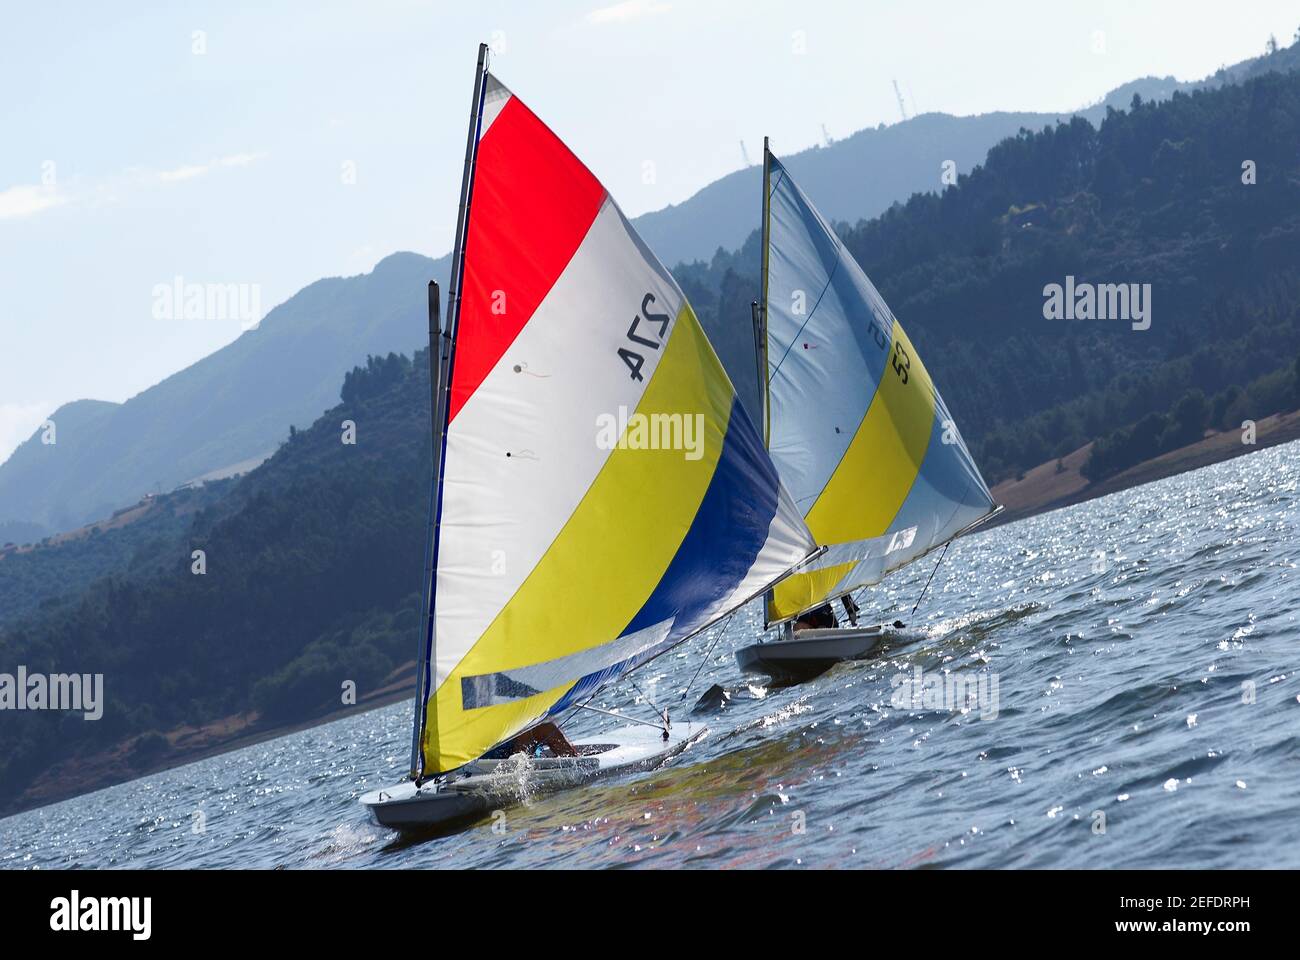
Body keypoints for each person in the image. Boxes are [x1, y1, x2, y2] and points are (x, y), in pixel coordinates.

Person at [488, 721, 580, 758]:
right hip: (487, 750)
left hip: (517, 752)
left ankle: (573, 761)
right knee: (547, 728)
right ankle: (574, 762)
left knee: (545, 726)